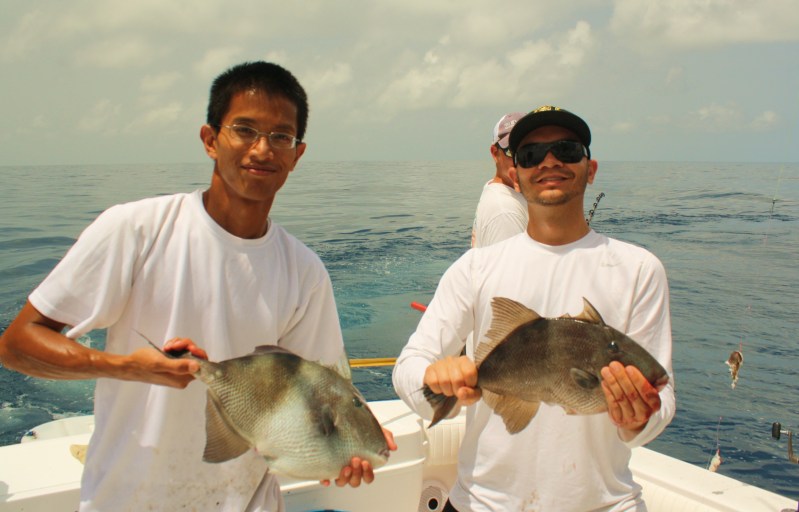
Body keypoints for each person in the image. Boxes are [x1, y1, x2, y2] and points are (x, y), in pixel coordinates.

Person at [0, 61, 395, 512]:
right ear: (210, 140)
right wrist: (129, 367)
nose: (262, 150)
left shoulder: (305, 271)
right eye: (245, 130)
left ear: (297, 154)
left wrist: (346, 452)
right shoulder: (135, 229)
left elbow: (321, 394)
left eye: (280, 137)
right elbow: (16, 344)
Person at [393, 105, 675, 511]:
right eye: (530, 155)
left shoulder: (639, 269)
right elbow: (408, 368)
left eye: (566, 149)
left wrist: (639, 419)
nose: (549, 162)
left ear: (590, 168)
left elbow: (662, 401)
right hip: (482, 503)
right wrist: (436, 379)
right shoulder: (475, 268)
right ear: (515, 173)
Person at [471, 112, 528, 248]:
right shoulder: (506, 212)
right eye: (511, 151)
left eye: (528, 149)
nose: (519, 159)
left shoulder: (498, 190)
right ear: (495, 153)